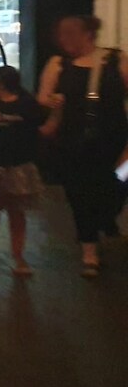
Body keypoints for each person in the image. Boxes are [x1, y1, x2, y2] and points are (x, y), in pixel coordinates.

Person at [37, 15, 128, 277]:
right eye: (62, 36)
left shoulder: (115, 60)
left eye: (71, 34)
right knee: (80, 194)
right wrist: (52, 101)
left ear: (88, 34)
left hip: (116, 142)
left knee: (119, 184)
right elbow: (43, 96)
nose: (65, 41)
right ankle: (89, 251)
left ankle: (105, 220)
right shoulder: (59, 65)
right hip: (74, 143)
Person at [0, 66, 47, 277]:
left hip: (18, 165)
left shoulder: (26, 104)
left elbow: (36, 131)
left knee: (15, 212)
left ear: (1, 83)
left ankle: (18, 255)